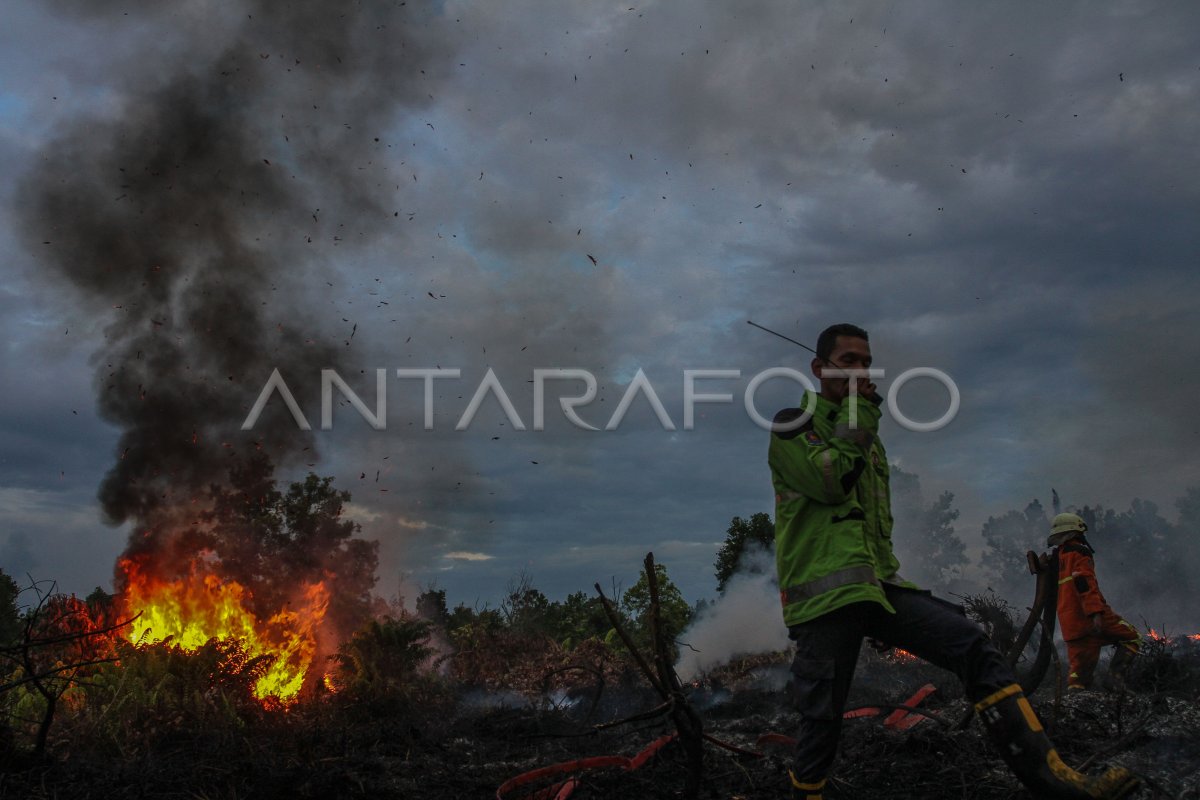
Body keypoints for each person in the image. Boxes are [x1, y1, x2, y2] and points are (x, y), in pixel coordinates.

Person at [768, 323, 1137, 800]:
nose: (860, 370)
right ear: (819, 368)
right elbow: (833, 481)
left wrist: (884, 589)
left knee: (973, 646)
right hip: (824, 600)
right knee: (821, 719)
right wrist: (860, 410)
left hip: (876, 589)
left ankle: (1060, 785)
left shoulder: (865, 438)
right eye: (849, 361)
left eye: (866, 361)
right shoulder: (793, 424)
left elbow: (872, 530)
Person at [1047, 513, 1141, 692]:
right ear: (1076, 531)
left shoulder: (1056, 559)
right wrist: (1095, 612)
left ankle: (1076, 704)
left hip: (1070, 624)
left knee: (1078, 677)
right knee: (1133, 637)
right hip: (1089, 616)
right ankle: (1114, 680)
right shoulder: (1079, 552)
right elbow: (1084, 583)